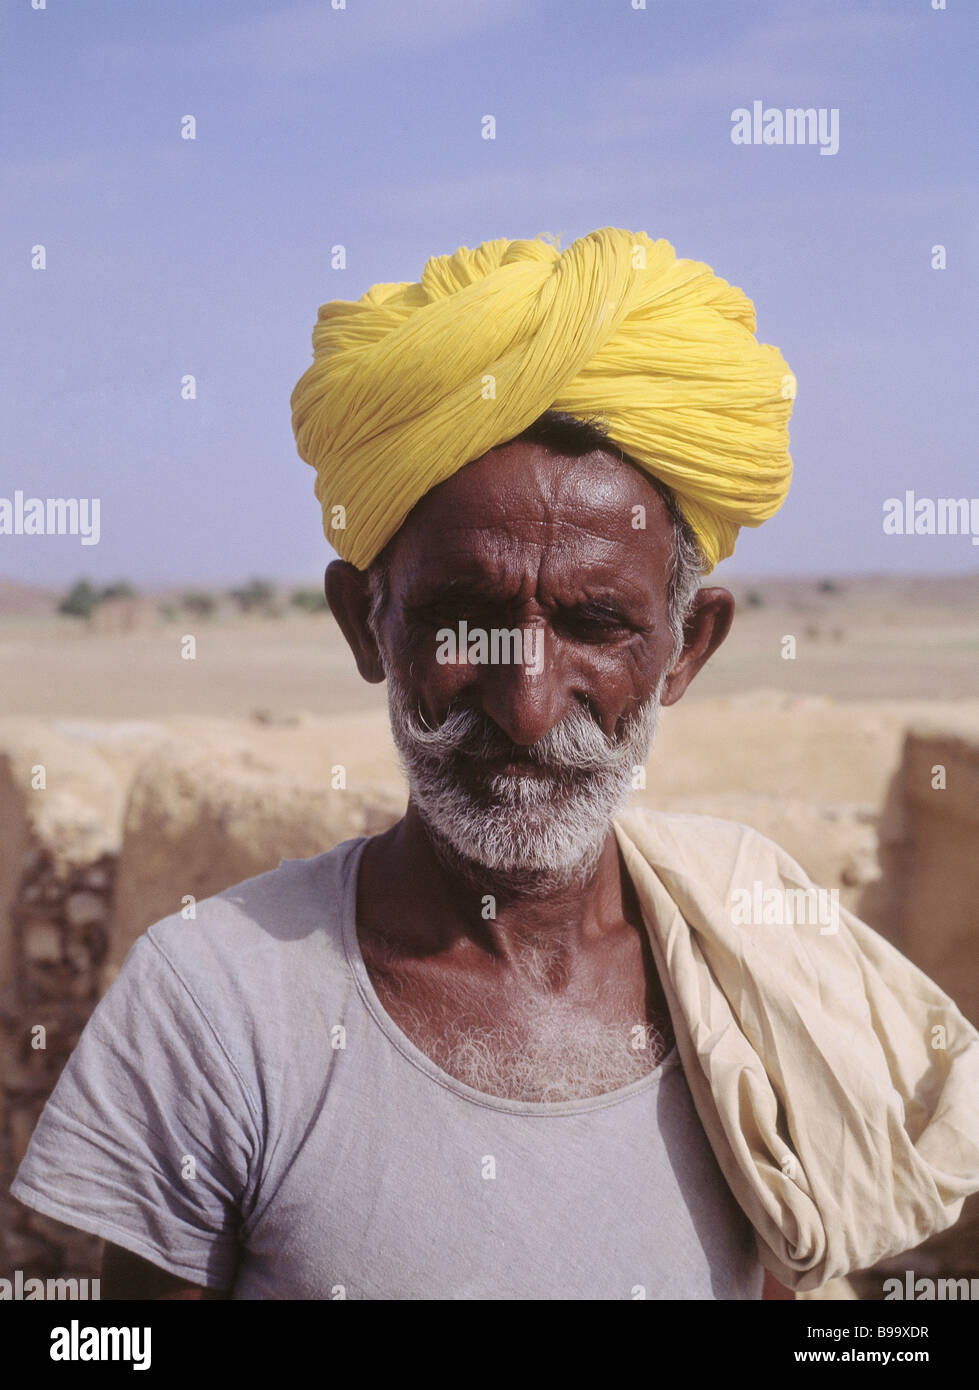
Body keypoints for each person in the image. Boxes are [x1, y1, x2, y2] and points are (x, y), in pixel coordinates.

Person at [11, 230, 979, 1300]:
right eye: (461, 619)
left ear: (686, 648)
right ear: (365, 626)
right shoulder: (211, 1005)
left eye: (595, 623)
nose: (524, 705)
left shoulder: (757, 972)